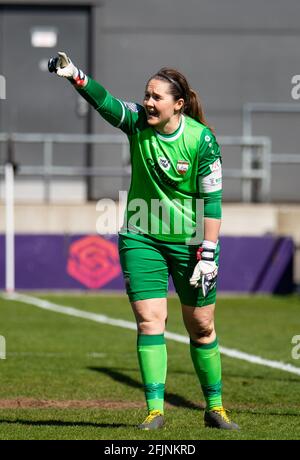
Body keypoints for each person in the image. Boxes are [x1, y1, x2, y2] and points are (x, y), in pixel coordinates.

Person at [48, 52, 239, 431]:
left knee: (201, 325)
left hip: (191, 242)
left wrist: (209, 253)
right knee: (150, 322)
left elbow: (212, 201)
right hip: (141, 237)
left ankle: (215, 408)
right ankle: (155, 410)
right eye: (146, 95)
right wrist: (75, 76)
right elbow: (106, 104)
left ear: (178, 104)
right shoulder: (137, 122)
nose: (148, 102)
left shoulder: (203, 141)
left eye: (157, 97)